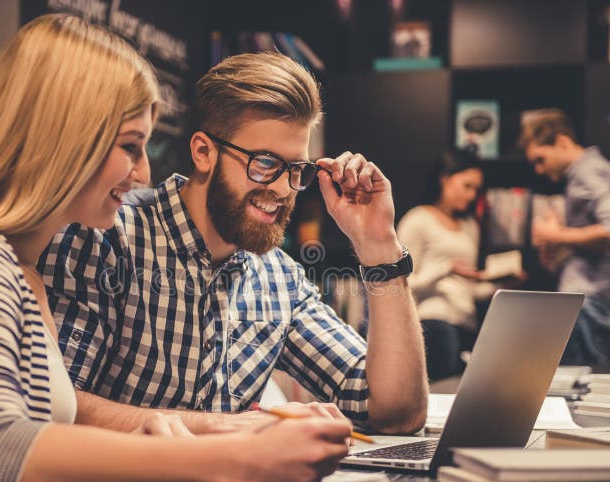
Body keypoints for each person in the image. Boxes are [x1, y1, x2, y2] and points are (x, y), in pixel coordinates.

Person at [0, 16, 353, 482]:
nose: (143, 174)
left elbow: (42, 437)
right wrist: (237, 455)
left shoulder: (26, 272)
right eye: (130, 146)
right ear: (65, 142)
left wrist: (162, 434)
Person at [39, 52, 428, 435]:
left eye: (296, 170)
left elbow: (394, 411)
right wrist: (229, 428)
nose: (280, 188)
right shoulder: (105, 235)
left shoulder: (280, 279)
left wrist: (379, 246)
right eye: (264, 163)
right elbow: (55, 404)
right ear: (204, 152)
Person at [521, 109, 610, 366]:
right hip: (600, 302)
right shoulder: (593, 171)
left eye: (541, 159)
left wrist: (557, 235)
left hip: (590, 305)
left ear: (562, 142)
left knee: (577, 397)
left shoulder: (586, 172)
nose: (540, 170)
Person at [396, 150, 495, 380]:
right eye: (466, 186)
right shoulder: (418, 219)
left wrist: (502, 284)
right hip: (435, 321)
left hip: (467, 323)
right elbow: (401, 282)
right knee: (440, 391)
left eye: (476, 189)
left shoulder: (470, 225)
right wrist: (445, 268)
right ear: (445, 178)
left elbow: (468, 289)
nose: (472, 195)